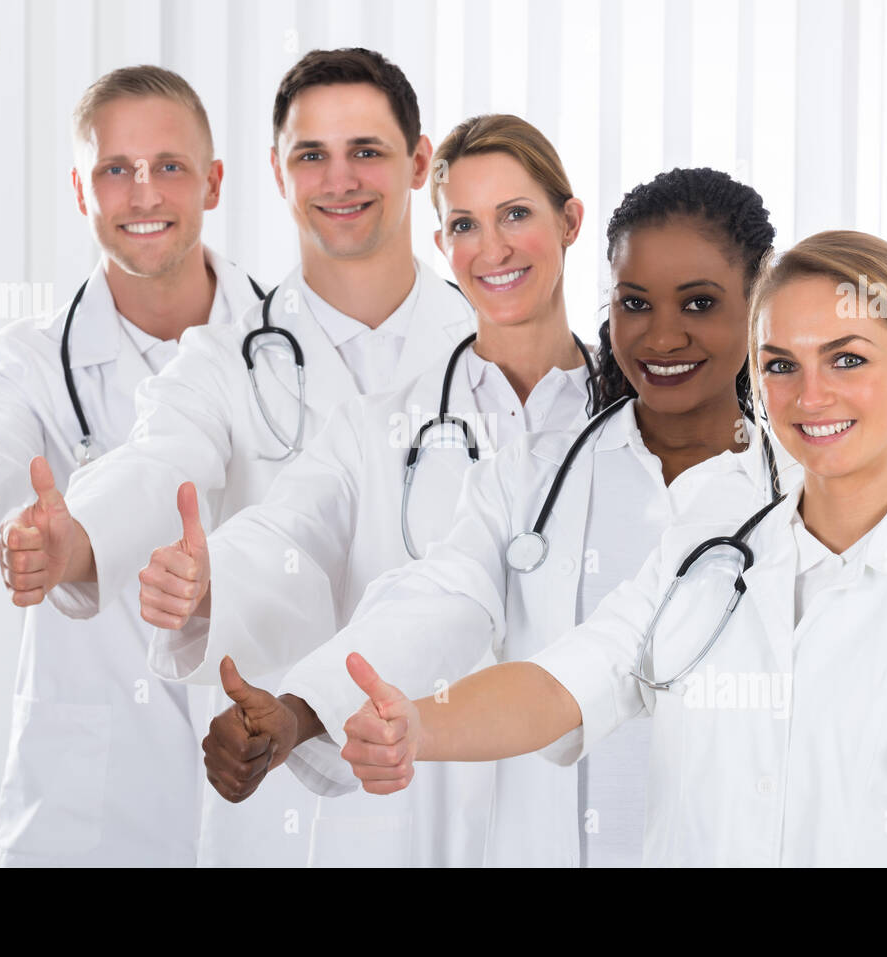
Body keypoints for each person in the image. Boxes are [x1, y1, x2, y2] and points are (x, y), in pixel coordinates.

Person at [341, 229, 887, 866]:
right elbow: (560, 684)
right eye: (780, 364)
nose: (811, 396)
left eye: (848, 358)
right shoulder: (705, 559)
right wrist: (418, 723)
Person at [0, 48, 475, 866]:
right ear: (276, 174)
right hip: (273, 788)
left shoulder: (490, 359)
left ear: (420, 162)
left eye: (367, 151)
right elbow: (159, 462)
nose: (340, 180)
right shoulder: (223, 359)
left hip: (450, 785)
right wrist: (76, 539)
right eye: (310, 156)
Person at [242, 168, 799, 867]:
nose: (662, 336)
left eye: (699, 303)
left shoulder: (799, 500)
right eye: (635, 302)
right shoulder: (532, 473)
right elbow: (442, 598)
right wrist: (307, 708)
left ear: (758, 303)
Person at [140, 114, 597, 866]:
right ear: (442, 245)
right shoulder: (379, 425)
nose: (494, 247)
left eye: (517, 213)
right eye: (464, 224)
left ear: (570, 221)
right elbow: (288, 532)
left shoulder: (629, 428)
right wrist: (211, 578)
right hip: (408, 801)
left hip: (573, 800)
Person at [0, 65, 266, 866]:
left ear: (213, 182)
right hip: (88, 806)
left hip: (259, 783)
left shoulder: (288, 350)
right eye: (116, 169)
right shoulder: (34, 360)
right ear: (82, 191)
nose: (143, 194)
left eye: (169, 167)